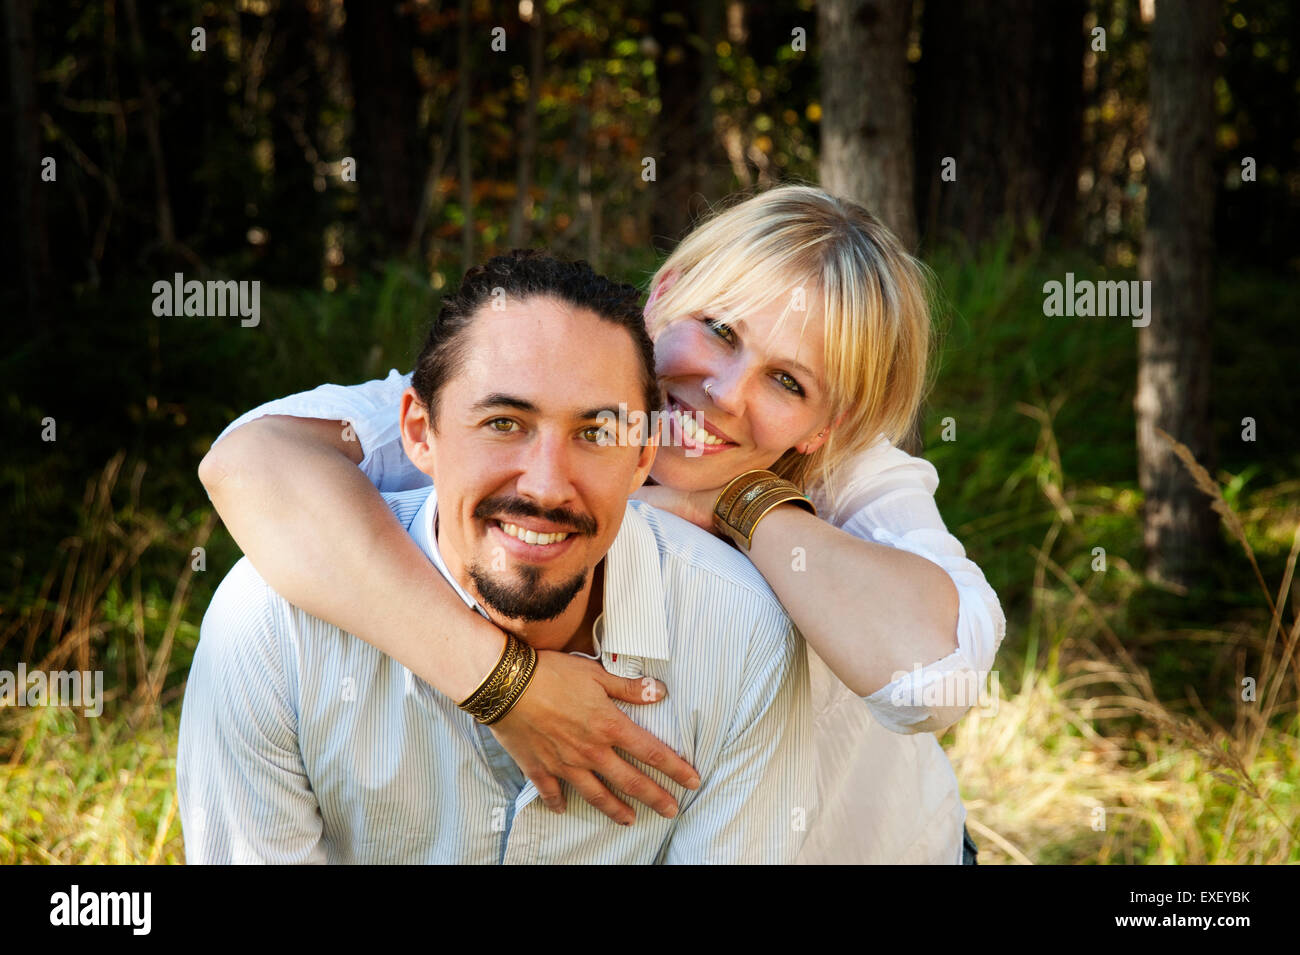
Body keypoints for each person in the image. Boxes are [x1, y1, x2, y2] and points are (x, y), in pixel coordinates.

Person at [199, 185, 1007, 864]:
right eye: (720, 330)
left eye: (787, 381)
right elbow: (250, 463)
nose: (724, 391)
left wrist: (739, 504)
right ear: (664, 292)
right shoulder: (536, 382)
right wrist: (503, 683)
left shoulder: (850, 479)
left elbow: (934, 677)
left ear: (826, 429)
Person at [177, 252, 814, 864]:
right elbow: (244, 461)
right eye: (504, 423)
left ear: (643, 459)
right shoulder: (270, 628)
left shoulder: (742, 635)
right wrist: (506, 685)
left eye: (595, 434)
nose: (544, 485)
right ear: (420, 433)